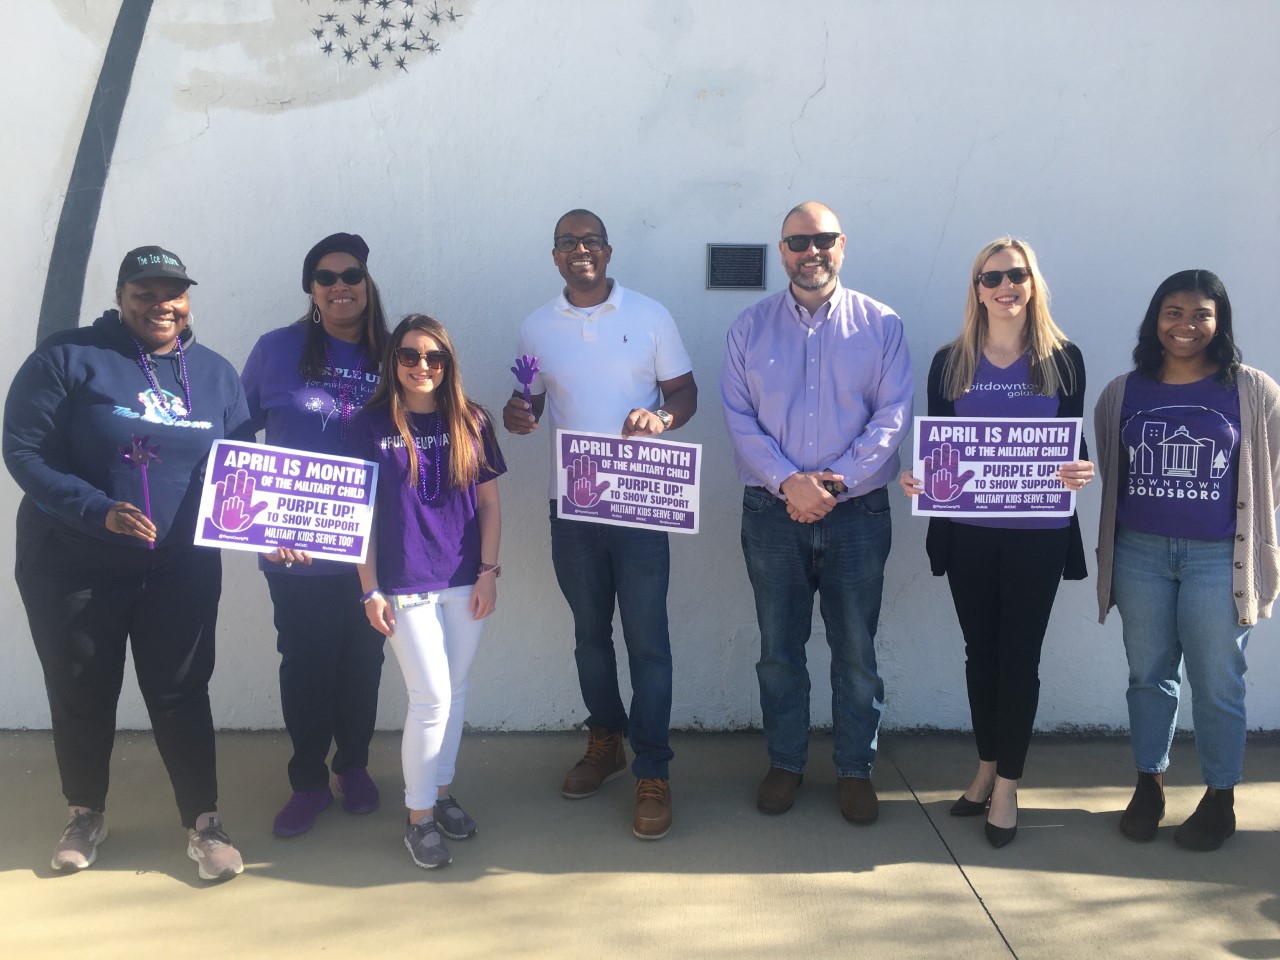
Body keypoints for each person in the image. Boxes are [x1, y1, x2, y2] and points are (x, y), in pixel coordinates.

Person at [3, 245, 251, 881]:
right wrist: (95, 509)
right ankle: (85, 814)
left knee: (181, 690)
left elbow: (241, 470)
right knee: (82, 689)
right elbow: (24, 451)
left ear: (187, 299)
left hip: (179, 567)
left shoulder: (217, 375)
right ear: (120, 297)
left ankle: (204, 822)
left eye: (173, 292)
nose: (160, 305)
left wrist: (271, 526)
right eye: (144, 292)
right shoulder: (67, 357)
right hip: (72, 563)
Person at [503, 208, 697, 841]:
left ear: (608, 252)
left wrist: (661, 420)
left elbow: (685, 392)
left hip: (640, 501)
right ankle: (605, 741)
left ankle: (653, 769)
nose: (580, 250)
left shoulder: (650, 315)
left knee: (648, 640)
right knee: (590, 636)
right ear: (554, 256)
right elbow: (526, 402)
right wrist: (518, 415)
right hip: (575, 504)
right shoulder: (536, 327)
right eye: (568, 243)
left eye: (590, 242)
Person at [721, 201, 913, 825]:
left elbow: (892, 417)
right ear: (782, 251)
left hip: (857, 514)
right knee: (780, 648)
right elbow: (738, 419)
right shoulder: (748, 328)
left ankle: (856, 769)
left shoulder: (881, 325)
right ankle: (786, 762)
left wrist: (829, 484)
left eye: (823, 240)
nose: (812, 252)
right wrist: (788, 484)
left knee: (856, 650)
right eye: (799, 241)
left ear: (842, 245)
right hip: (770, 513)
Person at [898, 238, 1094, 848]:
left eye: (1016, 274)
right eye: (992, 277)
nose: (1005, 286)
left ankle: (1009, 783)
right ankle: (985, 766)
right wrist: (922, 479)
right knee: (979, 652)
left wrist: (1079, 469)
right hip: (969, 537)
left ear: (1032, 283)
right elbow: (938, 449)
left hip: (1038, 536)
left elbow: (1072, 446)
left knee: (1020, 658)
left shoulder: (1063, 358)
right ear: (977, 289)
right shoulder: (949, 361)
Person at [1095, 269, 1280, 852]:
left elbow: (1270, 477)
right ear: (1155, 320)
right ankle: (1148, 784)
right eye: (1173, 312)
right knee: (1148, 675)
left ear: (1219, 322)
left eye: (1200, 314)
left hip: (1218, 559)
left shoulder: (1252, 390)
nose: (1186, 325)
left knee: (1218, 681)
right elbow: (1110, 471)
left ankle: (1220, 796)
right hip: (1140, 553)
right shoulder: (1123, 392)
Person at [241, 232, 390, 837]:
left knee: (363, 660)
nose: (339, 286)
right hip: (295, 547)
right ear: (311, 290)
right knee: (305, 663)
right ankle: (307, 781)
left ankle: (351, 766)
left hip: (377, 550)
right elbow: (236, 439)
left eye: (351, 275)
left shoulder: (394, 353)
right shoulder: (277, 350)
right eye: (325, 278)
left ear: (367, 282)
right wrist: (257, 526)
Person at [354, 315, 504, 869]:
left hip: (466, 578)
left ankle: (441, 795)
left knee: (455, 691)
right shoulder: (368, 424)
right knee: (432, 698)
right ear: (393, 361)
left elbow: (488, 504)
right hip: (404, 583)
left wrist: (489, 570)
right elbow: (359, 515)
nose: (422, 366)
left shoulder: (471, 419)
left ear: (448, 364)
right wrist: (369, 589)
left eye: (434, 357)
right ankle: (418, 819)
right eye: (411, 356)